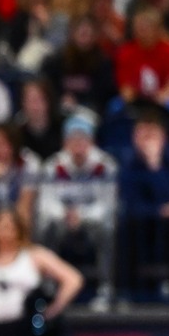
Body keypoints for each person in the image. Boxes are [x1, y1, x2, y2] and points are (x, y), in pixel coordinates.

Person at [36, 112, 118, 304]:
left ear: (92, 141)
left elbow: (107, 206)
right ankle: (48, 285)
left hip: (91, 223)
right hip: (63, 223)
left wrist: (81, 215)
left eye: (83, 139)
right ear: (65, 142)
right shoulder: (54, 166)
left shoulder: (104, 166)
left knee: (107, 228)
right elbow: (46, 205)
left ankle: (105, 287)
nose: (79, 144)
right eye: (74, 138)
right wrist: (65, 214)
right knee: (46, 226)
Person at [117, 111, 169, 301]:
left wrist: (155, 166)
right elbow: (131, 204)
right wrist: (160, 211)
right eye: (140, 135)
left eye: (150, 135)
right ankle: (127, 291)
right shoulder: (129, 166)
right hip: (143, 223)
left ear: (163, 137)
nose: (146, 141)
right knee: (126, 225)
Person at [116, 6, 169, 108]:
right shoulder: (126, 52)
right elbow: (125, 87)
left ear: (157, 29)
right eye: (138, 28)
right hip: (136, 100)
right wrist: (137, 102)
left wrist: (157, 101)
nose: (141, 32)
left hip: (164, 100)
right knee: (115, 107)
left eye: (145, 28)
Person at [46, 16, 117, 112]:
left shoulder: (103, 62)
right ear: (72, 34)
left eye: (88, 33)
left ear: (95, 36)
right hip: (61, 108)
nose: (84, 37)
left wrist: (78, 101)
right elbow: (48, 86)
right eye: (81, 33)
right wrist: (61, 98)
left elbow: (104, 94)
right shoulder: (57, 60)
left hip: (90, 110)